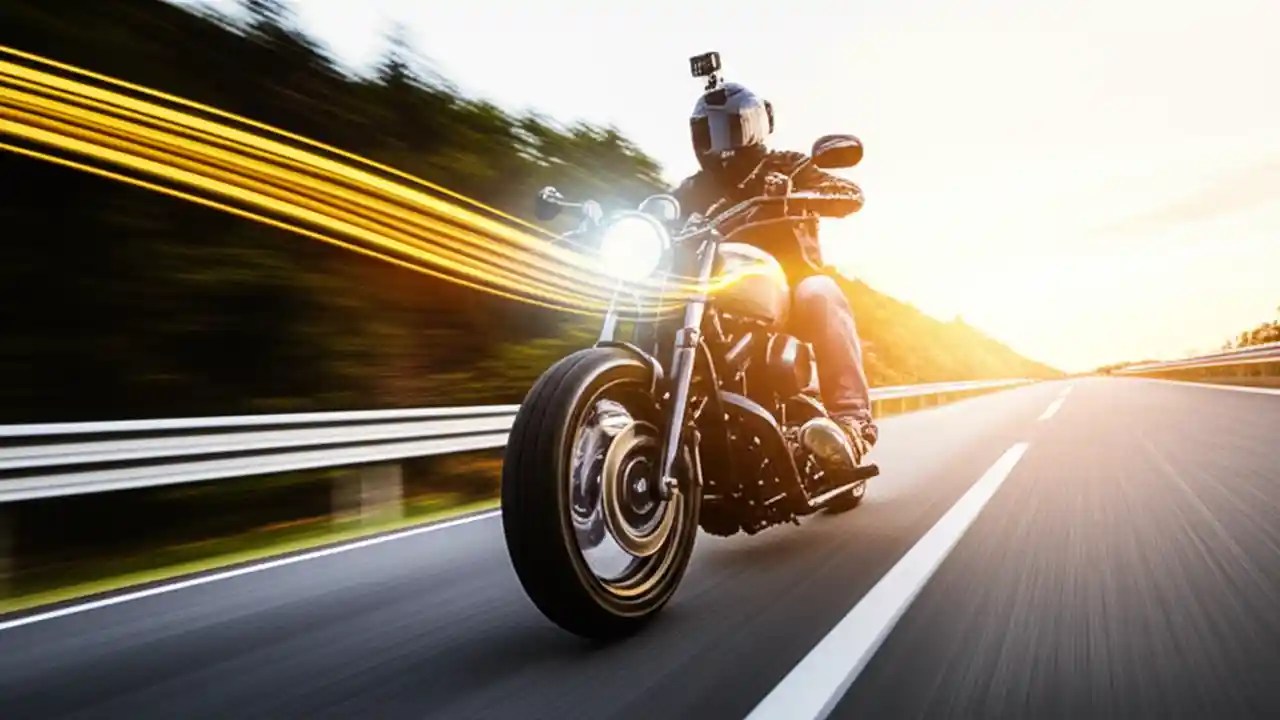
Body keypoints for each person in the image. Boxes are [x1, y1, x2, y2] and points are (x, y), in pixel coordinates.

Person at [672, 81, 878, 458]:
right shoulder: (693, 189)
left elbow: (846, 191)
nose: (721, 142)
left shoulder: (788, 165)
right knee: (660, 302)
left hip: (788, 287)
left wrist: (802, 194)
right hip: (715, 292)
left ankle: (852, 422)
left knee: (820, 292)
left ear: (757, 126)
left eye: (733, 128)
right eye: (710, 131)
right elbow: (659, 211)